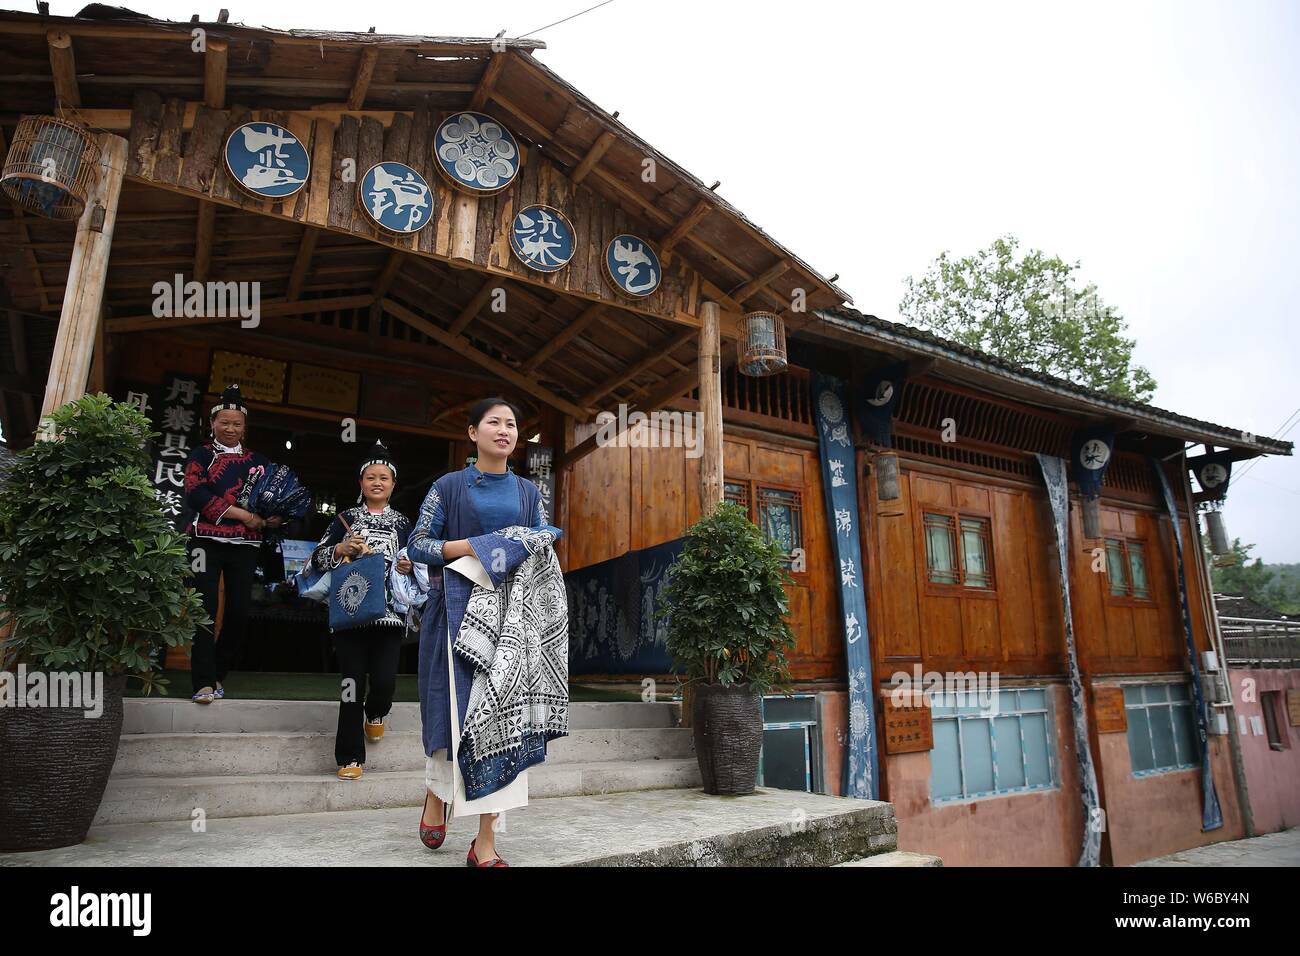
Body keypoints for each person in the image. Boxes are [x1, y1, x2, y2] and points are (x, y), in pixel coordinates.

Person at [406, 397, 560, 867]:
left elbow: (541, 538)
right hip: (454, 612)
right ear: (472, 433)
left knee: (505, 723)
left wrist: (526, 543)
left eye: (512, 424)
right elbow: (419, 545)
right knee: (453, 716)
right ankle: (438, 794)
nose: (504, 430)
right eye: (493, 422)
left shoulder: (529, 492)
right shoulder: (449, 485)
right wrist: (471, 546)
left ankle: (486, 840)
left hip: (514, 620)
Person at [310, 440, 413, 780]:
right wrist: (341, 548)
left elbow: (421, 563)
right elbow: (316, 558)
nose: (377, 483)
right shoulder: (345, 518)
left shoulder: (403, 523)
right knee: (351, 684)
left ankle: (377, 712)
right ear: (361, 483)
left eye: (384, 477)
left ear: (393, 484)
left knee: (384, 682)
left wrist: (409, 566)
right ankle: (350, 756)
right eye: (371, 477)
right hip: (351, 615)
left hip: (391, 615)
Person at [182, 384, 281, 704]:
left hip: (245, 544)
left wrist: (274, 517)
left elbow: (275, 499)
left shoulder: (261, 462)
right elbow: (195, 493)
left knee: (239, 612)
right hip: (204, 543)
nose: (230, 428)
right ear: (212, 423)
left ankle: (217, 672)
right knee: (205, 610)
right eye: (224, 422)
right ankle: (202, 682)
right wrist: (243, 514)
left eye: (236, 423)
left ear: (244, 427)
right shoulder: (201, 455)